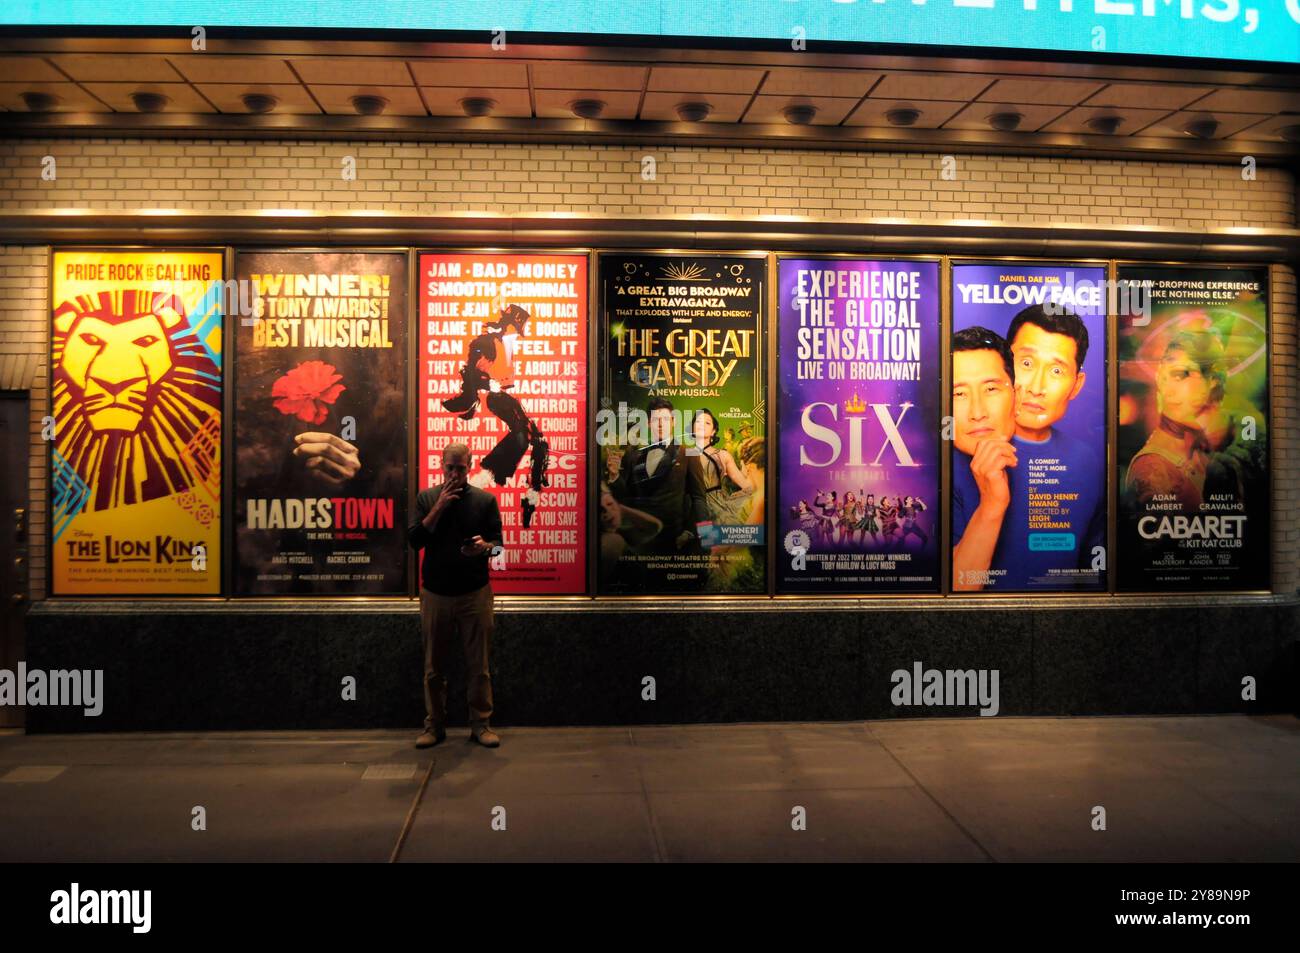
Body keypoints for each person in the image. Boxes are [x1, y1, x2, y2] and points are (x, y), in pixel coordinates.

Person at [408, 441, 503, 749]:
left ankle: (480, 724)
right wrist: (440, 506)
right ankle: (434, 725)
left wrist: (484, 547)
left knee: (479, 665)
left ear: (469, 466)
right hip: (435, 593)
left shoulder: (484, 501)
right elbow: (415, 541)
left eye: (460, 468)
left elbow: (499, 546)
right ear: (441, 465)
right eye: (449, 467)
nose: (454, 473)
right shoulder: (426, 498)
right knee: (434, 666)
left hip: (474, 593)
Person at [950, 326, 1018, 591]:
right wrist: (992, 505)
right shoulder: (924, 477)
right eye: (959, 394)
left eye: (990, 389)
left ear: (1017, 394)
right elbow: (952, 593)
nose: (978, 412)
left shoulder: (1080, 464)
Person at [606, 396, 710, 558]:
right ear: (648, 423)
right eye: (656, 420)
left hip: (675, 539)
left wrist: (697, 535)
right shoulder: (634, 455)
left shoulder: (689, 453)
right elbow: (623, 496)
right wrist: (614, 476)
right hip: (639, 541)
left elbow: (698, 499)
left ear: (673, 421)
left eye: (665, 419)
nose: (660, 424)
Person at [692, 407, 753, 525]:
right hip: (692, 510)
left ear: (713, 431)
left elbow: (746, 486)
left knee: (713, 541)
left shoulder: (723, 455)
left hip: (719, 509)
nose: (702, 425)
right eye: (698, 421)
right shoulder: (684, 454)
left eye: (707, 423)